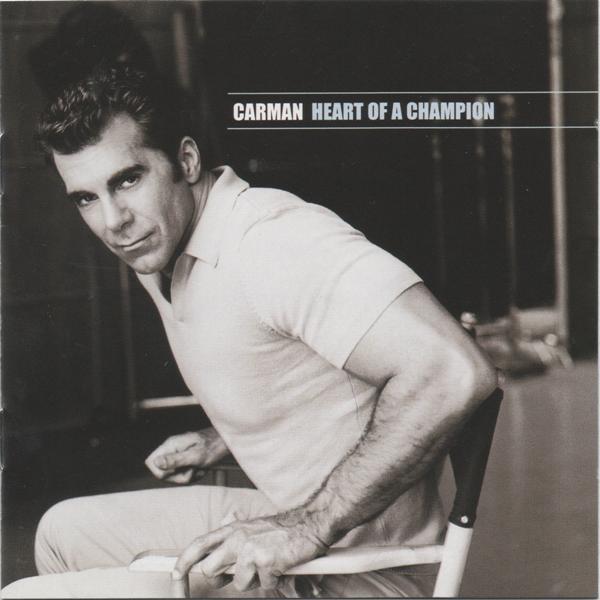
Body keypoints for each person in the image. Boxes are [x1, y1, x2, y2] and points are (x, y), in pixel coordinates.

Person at [2, 65, 497, 598]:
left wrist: (305, 527)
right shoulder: (163, 244)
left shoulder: (273, 241)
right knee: (62, 535)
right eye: (86, 198)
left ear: (186, 161)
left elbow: (453, 371)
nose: (112, 220)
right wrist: (227, 437)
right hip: (298, 529)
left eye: (128, 180)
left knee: (26, 597)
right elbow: (308, 382)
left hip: (362, 570)